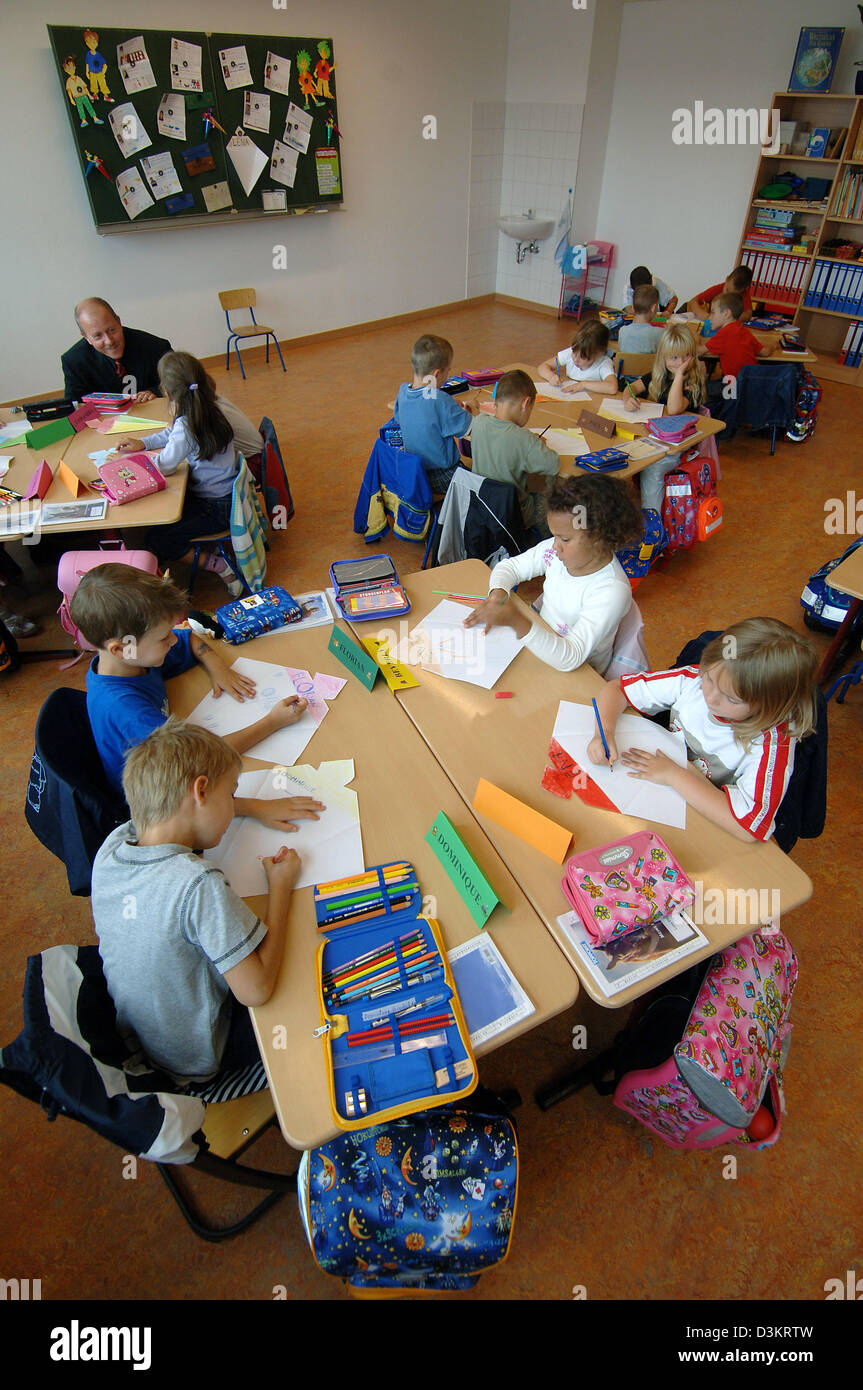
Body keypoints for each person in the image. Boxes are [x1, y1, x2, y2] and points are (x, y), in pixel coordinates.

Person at [92, 719, 301, 1084]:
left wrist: (248, 807)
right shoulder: (197, 885)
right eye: (231, 796)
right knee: (309, 995)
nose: (233, 806)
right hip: (196, 1060)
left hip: (138, 1036)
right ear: (200, 791)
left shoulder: (112, 847)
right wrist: (280, 889)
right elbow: (257, 990)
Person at [69, 564, 324, 841]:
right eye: (163, 637)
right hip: (158, 808)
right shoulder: (128, 712)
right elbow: (204, 760)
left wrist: (218, 667)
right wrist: (272, 723)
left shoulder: (130, 659)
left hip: (173, 771)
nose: (171, 640)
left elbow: (189, 637)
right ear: (121, 648)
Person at [587, 617, 817, 842]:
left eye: (731, 699)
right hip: (656, 793)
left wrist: (674, 775)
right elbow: (618, 689)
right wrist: (604, 732)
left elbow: (748, 828)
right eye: (709, 678)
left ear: (770, 707)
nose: (711, 697)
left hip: (700, 820)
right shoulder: (694, 680)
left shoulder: (770, 743)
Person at [464, 473, 644, 676]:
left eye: (565, 539)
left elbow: (572, 657)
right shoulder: (555, 550)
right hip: (541, 643)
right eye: (554, 535)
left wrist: (516, 620)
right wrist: (497, 595)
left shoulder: (610, 590)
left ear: (599, 538)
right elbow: (510, 568)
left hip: (579, 674)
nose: (555, 545)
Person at [109, 350, 242, 589]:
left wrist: (126, 466)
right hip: (226, 497)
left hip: (216, 507)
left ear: (167, 393)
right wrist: (144, 444)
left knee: (159, 539)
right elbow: (173, 434)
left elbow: (165, 467)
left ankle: (220, 565)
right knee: (165, 517)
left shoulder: (188, 424)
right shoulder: (209, 407)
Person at [622, 324, 707, 513]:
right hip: (653, 439)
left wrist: (678, 376)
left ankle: (654, 526)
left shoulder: (693, 384)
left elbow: (675, 408)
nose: (681, 362)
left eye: (686, 356)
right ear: (664, 357)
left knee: (653, 468)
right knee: (620, 456)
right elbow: (631, 388)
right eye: (674, 357)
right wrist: (629, 399)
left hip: (677, 448)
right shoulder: (658, 375)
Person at [468, 369, 559, 532]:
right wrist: (539, 445)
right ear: (525, 403)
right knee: (557, 501)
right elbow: (554, 464)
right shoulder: (524, 439)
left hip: (481, 508)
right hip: (514, 514)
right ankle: (544, 549)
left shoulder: (478, 422)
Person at [392, 335, 475, 492]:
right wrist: (472, 408)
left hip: (415, 473)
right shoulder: (440, 400)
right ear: (437, 374)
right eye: (448, 371)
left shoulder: (403, 392)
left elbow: (401, 417)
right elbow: (471, 429)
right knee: (490, 490)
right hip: (444, 475)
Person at [61, 298, 172, 403]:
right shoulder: (74, 361)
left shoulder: (156, 347)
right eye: (98, 336)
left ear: (119, 322)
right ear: (86, 337)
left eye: (112, 330)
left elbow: (180, 385)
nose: (109, 341)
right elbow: (74, 407)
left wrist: (155, 393)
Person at [698, 291, 769, 404]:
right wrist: (775, 346)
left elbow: (699, 352)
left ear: (726, 313)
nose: (709, 317)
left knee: (697, 391)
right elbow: (765, 352)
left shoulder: (724, 334)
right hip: (750, 385)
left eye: (712, 313)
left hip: (732, 387)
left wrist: (695, 338)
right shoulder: (744, 331)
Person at [537, 319, 618, 396]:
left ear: (598, 354)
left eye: (582, 357)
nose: (575, 359)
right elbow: (542, 367)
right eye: (574, 353)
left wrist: (583, 385)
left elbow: (612, 388)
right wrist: (550, 377)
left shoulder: (603, 363)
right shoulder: (573, 351)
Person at [689, 265, 754, 322]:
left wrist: (727, 318)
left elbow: (748, 314)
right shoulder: (718, 289)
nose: (728, 296)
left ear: (744, 290)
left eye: (733, 295)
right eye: (727, 290)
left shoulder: (744, 294)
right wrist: (704, 315)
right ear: (727, 279)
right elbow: (693, 301)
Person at [618, 285, 664, 355]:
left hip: (629, 365)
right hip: (648, 366)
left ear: (632, 307)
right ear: (654, 308)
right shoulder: (660, 333)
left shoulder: (622, 331)